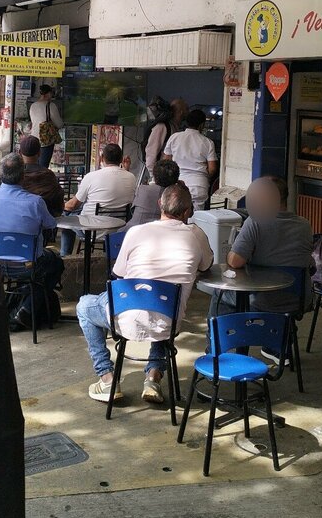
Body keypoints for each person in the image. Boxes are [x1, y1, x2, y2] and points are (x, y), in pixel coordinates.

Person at [77, 183, 213, 404]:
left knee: (84, 306)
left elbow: (119, 273)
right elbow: (207, 265)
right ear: (188, 212)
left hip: (125, 318)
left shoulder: (136, 231)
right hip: (170, 323)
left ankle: (107, 378)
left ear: (160, 204)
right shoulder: (196, 234)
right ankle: (153, 377)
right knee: (162, 310)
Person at [0, 153, 62, 331]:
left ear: (0, 174)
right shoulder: (35, 202)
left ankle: (22, 307)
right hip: (29, 265)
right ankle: (27, 308)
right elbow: (51, 224)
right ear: (23, 176)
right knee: (56, 263)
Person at [215, 176, 313, 316]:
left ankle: (220, 336)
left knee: (220, 293)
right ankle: (286, 333)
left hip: (261, 299)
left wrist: (231, 253)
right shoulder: (305, 225)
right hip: (297, 299)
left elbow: (236, 261)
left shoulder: (255, 221)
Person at [61, 142, 137, 255]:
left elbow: (72, 205)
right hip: (118, 229)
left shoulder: (91, 177)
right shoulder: (131, 177)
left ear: (102, 158)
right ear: (121, 159)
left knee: (66, 219)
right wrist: (126, 169)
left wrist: (59, 205)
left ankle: (64, 256)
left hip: (91, 230)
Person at [162, 108, 218, 210]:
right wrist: (205, 176)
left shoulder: (174, 137)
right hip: (199, 185)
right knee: (196, 218)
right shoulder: (208, 142)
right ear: (202, 125)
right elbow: (212, 169)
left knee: (176, 214)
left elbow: (166, 162)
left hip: (177, 183)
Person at [122, 158, 181, 230]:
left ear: (155, 177)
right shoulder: (176, 197)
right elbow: (189, 214)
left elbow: (132, 212)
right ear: (176, 179)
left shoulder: (142, 190)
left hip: (128, 232)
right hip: (156, 235)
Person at [19, 134, 65, 217]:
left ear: (19, 152)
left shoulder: (15, 176)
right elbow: (58, 202)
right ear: (40, 152)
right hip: (44, 222)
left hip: (20, 218)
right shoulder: (48, 175)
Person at [142, 97, 188, 177]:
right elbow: (151, 152)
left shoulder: (174, 127)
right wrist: (154, 176)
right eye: (186, 109)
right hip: (161, 176)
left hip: (168, 176)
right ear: (181, 112)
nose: (188, 112)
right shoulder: (162, 127)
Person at [29, 84, 64, 168]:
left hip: (33, 138)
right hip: (45, 140)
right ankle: (41, 180)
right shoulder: (51, 106)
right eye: (51, 93)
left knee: (34, 165)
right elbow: (59, 124)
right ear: (48, 94)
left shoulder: (33, 105)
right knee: (43, 166)